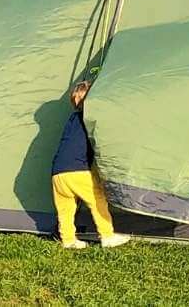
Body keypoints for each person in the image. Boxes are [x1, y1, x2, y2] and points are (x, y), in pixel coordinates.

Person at [50, 80, 131, 250]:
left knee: (65, 208)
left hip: (58, 172)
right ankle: (107, 236)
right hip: (77, 170)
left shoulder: (72, 119)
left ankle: (68, 240)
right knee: (97, 199)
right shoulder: (90, 119)